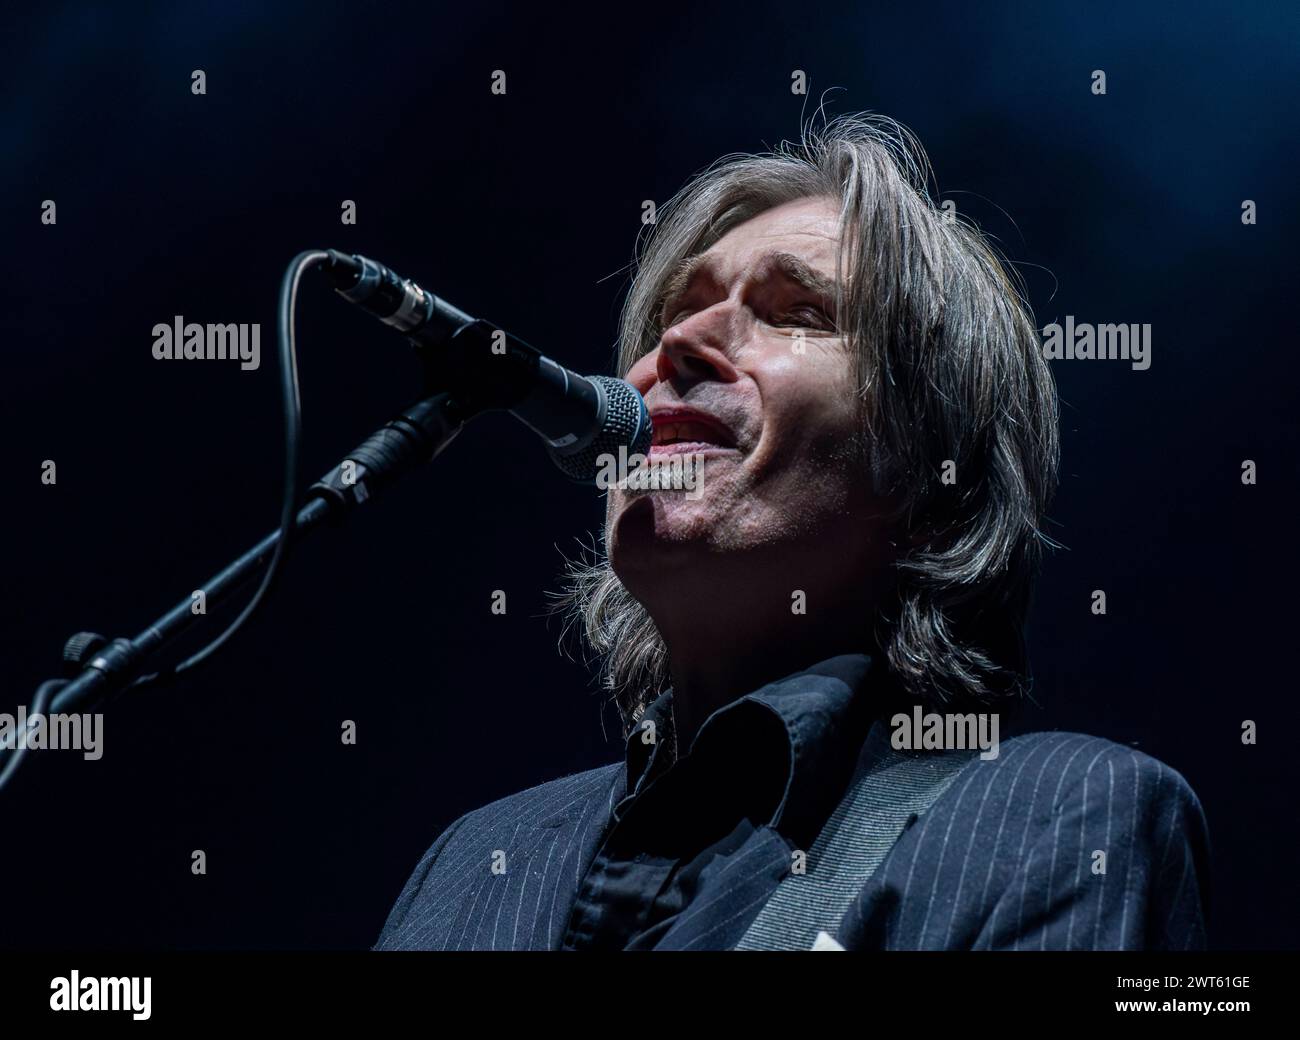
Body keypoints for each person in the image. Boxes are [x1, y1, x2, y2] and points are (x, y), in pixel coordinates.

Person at [373, 114, 1209, 951]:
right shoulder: (474, 860)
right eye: (679, 309)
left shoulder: (1058, 816)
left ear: (931, 467)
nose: (680, 342)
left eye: (797, 311)